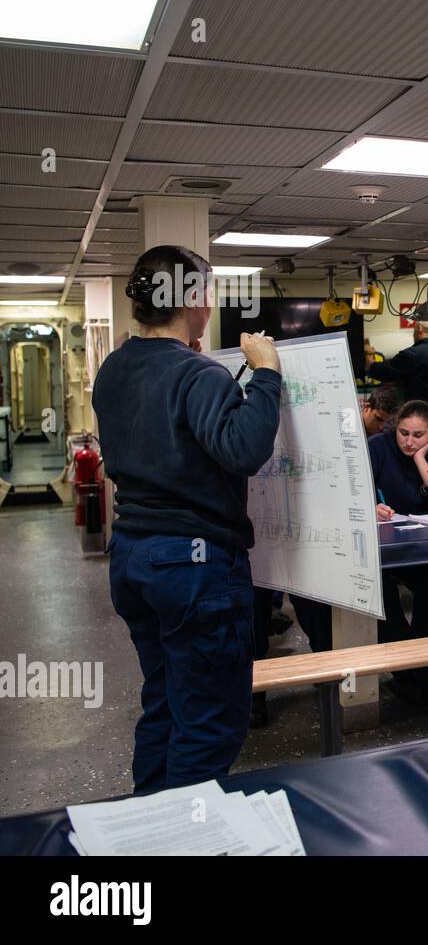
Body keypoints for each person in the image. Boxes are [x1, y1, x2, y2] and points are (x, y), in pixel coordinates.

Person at [93, 244, 281, 792]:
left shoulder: (115, 367)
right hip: (193, 568)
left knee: (165, 702)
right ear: (195, 299)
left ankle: (149, 828)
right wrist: (265, 374)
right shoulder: (197, 374)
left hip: (132, 555)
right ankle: (188, 842)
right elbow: (243, 450)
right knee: (209, 723)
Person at [368, 400, 428, 707]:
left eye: (418, 436)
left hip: (421, 549)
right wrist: (372, 507)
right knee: (380, 599)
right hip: (380, 548)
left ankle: (421, 667)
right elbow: (351, 491)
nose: (409, 441)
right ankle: (412, 671)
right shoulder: (378, 447)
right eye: (404, 433)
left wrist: (422, 460)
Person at [366, 321, 428, 445]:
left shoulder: (411, 355)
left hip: (419, 421)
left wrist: (370, 362)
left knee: (417, 457)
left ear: (419, 329)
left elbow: (383, 372)